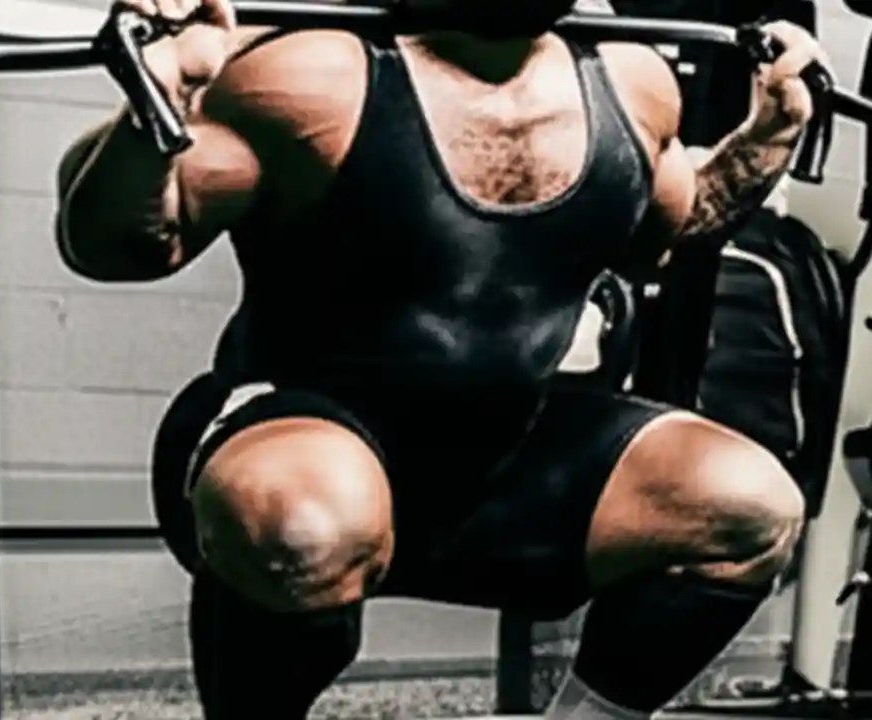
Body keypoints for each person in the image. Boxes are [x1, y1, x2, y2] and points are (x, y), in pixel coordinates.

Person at [55, 0, 831, 717]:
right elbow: (116, 245)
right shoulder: (311, 77)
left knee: (749, 506)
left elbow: (664, 228)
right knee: (303, 527)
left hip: (504, 458)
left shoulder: (633, 81)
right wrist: (156, 104)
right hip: (297, 444)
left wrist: (770, 132)